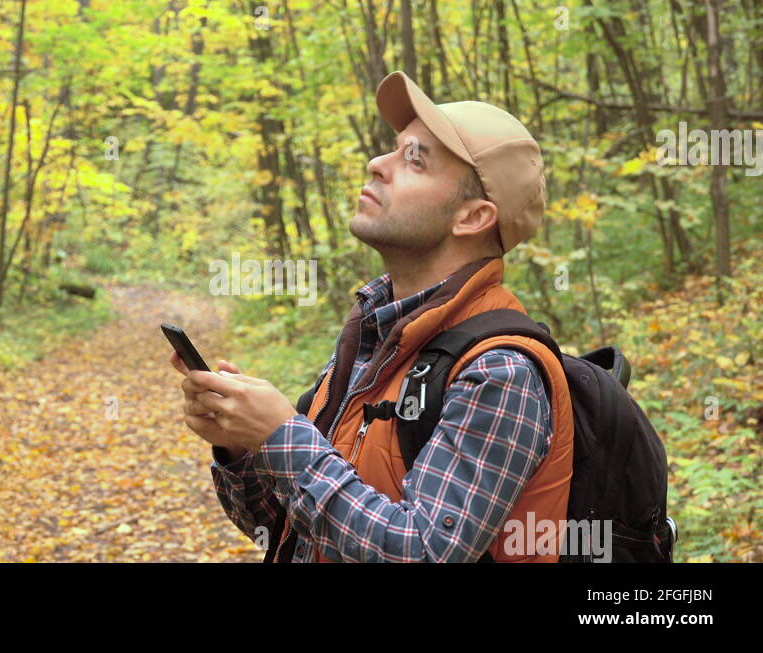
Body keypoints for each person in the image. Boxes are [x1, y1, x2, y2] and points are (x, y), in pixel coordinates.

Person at [170, 70, 574, 562]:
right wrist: (241, 443)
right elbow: (282, 524)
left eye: (415, 161)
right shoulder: (377, 335)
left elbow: (422, 552)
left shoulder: (499, 370)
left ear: (471, 218)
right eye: (393, 148)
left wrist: (281, 434)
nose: (377, 163)